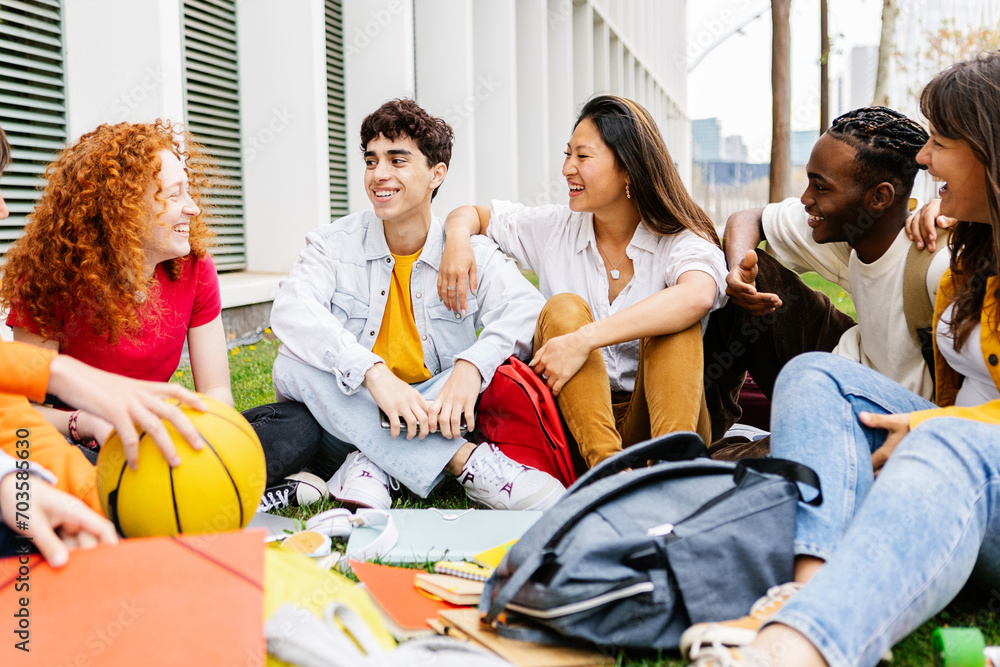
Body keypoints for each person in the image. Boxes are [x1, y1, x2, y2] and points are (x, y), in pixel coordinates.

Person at [682, 52, 1000, 667]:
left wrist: (934, 429)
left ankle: (797, 649)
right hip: (942, 467)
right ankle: (802, 588)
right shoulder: (965, 246)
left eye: (939, 143)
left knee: (946, 440)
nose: (925, 160)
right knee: (812, 373)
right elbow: (752, 218)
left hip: (971, 471)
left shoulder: (935, 252)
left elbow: (949, 426)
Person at [268, 98, 563, 511]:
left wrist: (470, 366)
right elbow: (291, 312)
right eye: (371, 161)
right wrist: (373, 373)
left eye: (397, 160)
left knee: (491, 368)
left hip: (434, 406)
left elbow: (527, 311)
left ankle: (373, 465)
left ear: (435, 174)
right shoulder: (332, 244)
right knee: (293, 365)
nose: (379, 175)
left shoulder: (470, 251)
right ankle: (466, 462)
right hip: (354, 405)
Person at [440, 94, 727, 469]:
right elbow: (472, 214)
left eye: (583, 156)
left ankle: (672, 473)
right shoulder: (555, 229)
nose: (567, 169)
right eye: (567, 154)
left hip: (659, 425)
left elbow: (698, 294)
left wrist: (583, 340)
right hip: (577, 427)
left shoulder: (680, 239)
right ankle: (608, 474)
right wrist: (458, 240)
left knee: (675, 319)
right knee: (563, 307)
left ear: (628, 168)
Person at [705, 107, 941, 452]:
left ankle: (723, 456)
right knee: (736, 274)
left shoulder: (934, 260)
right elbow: (748, 217)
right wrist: (740, 271)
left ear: (879, 198)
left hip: (894, 424)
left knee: (727, 470)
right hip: (843, 371)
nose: (805, 199)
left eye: (821, 187)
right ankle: (703, 431)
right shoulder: (851, 230)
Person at [0, 121, 232, 458]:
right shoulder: (48, 277)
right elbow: (21, 418)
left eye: (189, 190)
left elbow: (216, 392)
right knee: (66, 463)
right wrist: (86, 423)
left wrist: (201, 435)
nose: (193, 207)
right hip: (84, 439)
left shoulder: (195, 267)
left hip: (160, 427)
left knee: (293, 425)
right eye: (174, 194)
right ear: (124, 208)